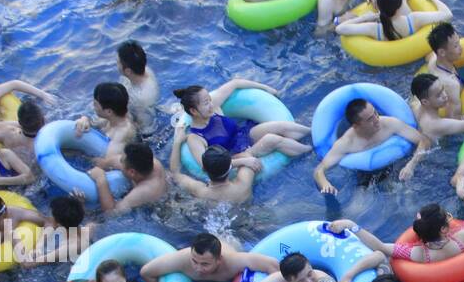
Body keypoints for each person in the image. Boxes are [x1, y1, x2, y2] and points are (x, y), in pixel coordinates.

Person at [328, 197, 464, 277]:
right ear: (444, 228)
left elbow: (380, 247)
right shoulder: (463, 237)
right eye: (447, 216)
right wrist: (463, 194)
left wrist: (351, 225)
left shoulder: (418, 254)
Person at [172, 81, 311, 165]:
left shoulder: (214, 108)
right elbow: (206, 166)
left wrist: (266, 88)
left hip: (244, 135)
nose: (211, 104)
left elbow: (235, 83)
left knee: (280, 126)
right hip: (236, 154)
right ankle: (312, 150)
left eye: (209, 99)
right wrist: (242, 161)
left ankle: (313, 131)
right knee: (272, 139)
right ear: (193, 111)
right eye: (206, 103)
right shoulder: (195, 138)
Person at [314, 96, 430, 194]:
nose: (377, 119)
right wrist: (325, 184)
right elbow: (319, 170)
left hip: (396, 163)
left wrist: (411, 165)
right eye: (370, 119)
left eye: (375, 112)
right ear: (356, 126)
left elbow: (424, 141)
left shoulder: (389, 123)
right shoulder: (346, 143)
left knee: (406, 195)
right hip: (366, 173)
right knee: (356, 208)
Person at [142, 232, 277, 282]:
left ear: (219, 260)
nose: (198, 268)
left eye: (205, 264)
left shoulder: (233, 261)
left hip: (229, 240)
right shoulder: (182, 259)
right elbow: (146, 272)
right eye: (194, 261)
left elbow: (271, 264)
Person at [335, 0, 452, 40]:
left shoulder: (375, 29)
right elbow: (447, 14)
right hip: (412, 46)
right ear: (399, 5)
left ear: (378, 6)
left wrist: (364, 18)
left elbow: (339, 29)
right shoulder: (414, 19)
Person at [169, 140, 258, 205]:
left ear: (203, 169)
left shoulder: (201, 192)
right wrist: (239, 161)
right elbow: (249, 158)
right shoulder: (243, 186)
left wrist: (177, 142)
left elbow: (175, 173)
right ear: (230, 166)